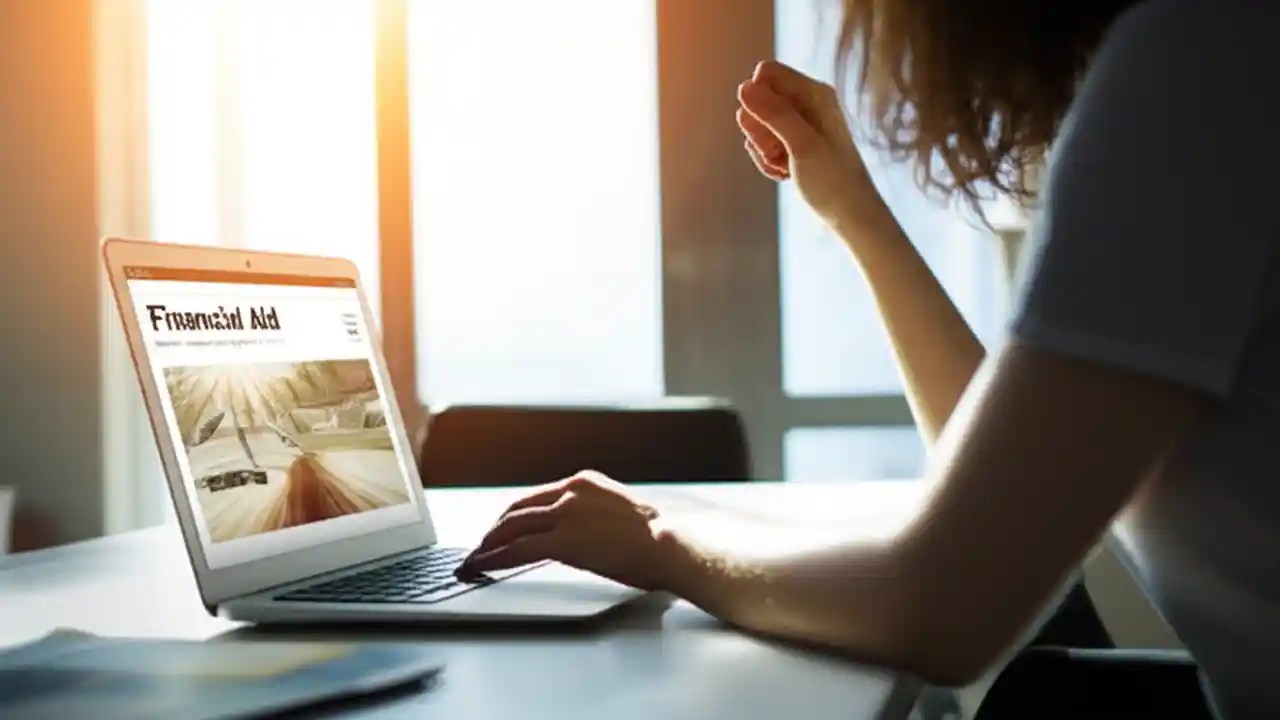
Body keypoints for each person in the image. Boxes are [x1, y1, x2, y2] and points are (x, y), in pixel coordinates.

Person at [456, 1, 1279, 717]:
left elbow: (944, 603)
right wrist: (854, 209)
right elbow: (1016, 478)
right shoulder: (1215, 48)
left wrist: (658, 539)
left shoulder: (1197, 55)